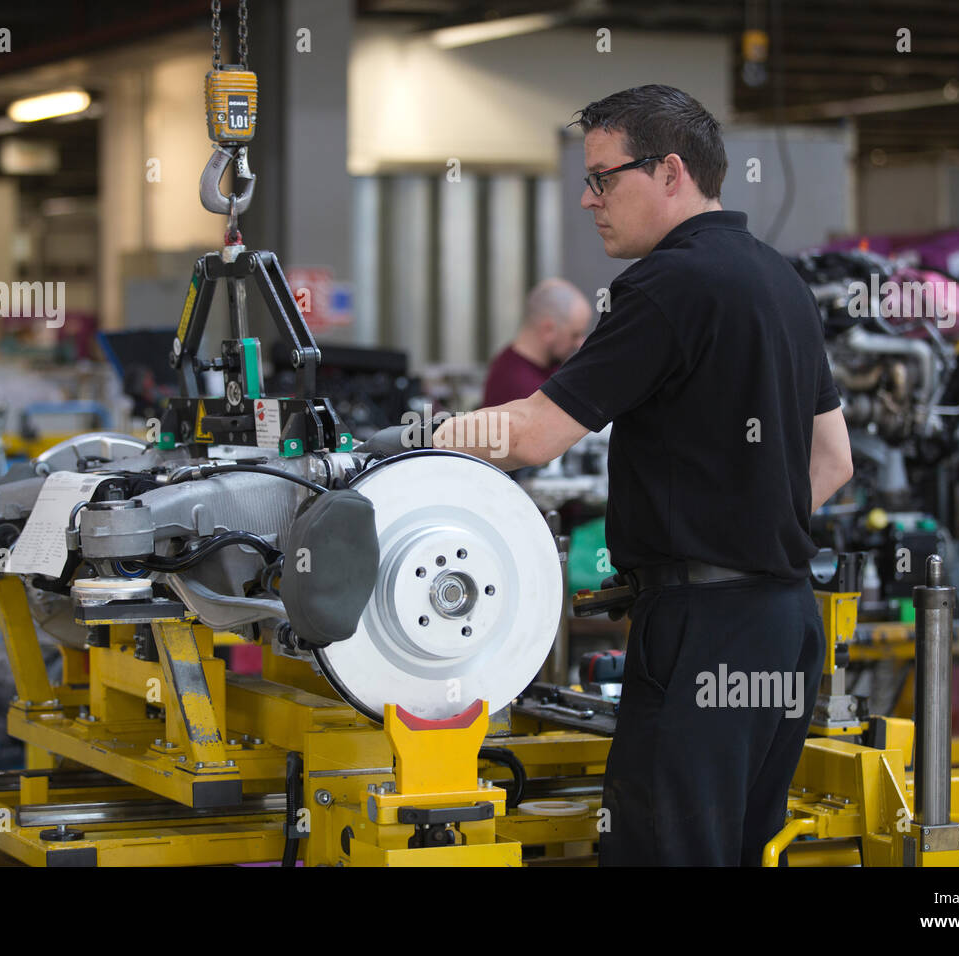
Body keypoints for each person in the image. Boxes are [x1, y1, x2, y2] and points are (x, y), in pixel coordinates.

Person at [361, 84, 853, 865]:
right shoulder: (782, 281)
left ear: (669, 173)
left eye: (602, 177)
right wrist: (743, 529)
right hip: (786, 627)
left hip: (702, 631)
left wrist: (396, 447)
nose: (589, 200)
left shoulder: (670, 284)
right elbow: (834, 462)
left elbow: (532, 434)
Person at [482, 279, 591, 407]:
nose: (580, 343)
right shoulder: (522, 389)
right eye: (574, 335)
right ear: (548, 329)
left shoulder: (538, 368)